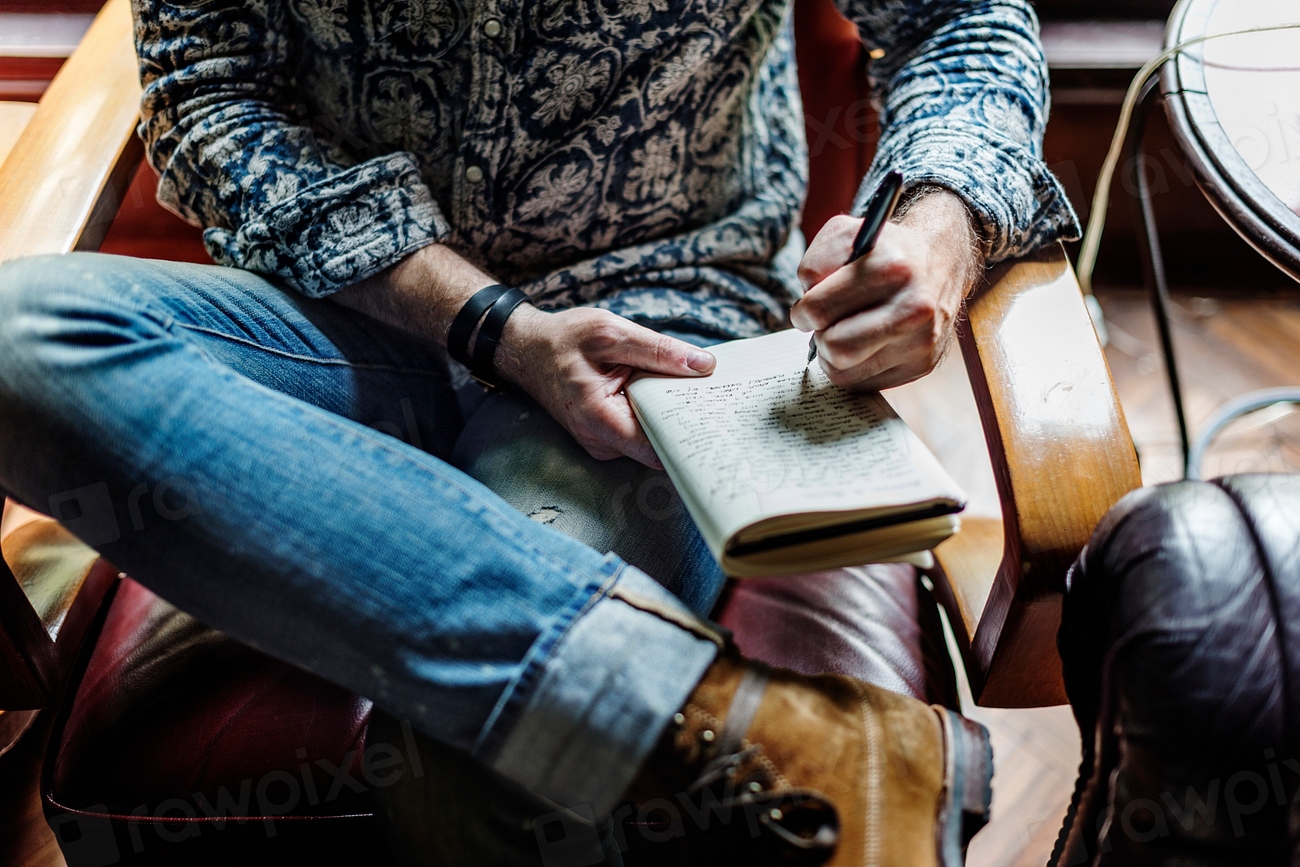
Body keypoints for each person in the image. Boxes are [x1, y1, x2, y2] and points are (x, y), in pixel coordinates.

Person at [0, 0, 1077, 862]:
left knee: (492, 748)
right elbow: (207, 102)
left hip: (649, 334)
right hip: (331, 317)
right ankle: (768, 732)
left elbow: (959, 20)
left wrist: (940, 220)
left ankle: (633, 703)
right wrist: (494, 328)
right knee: (16, 341)